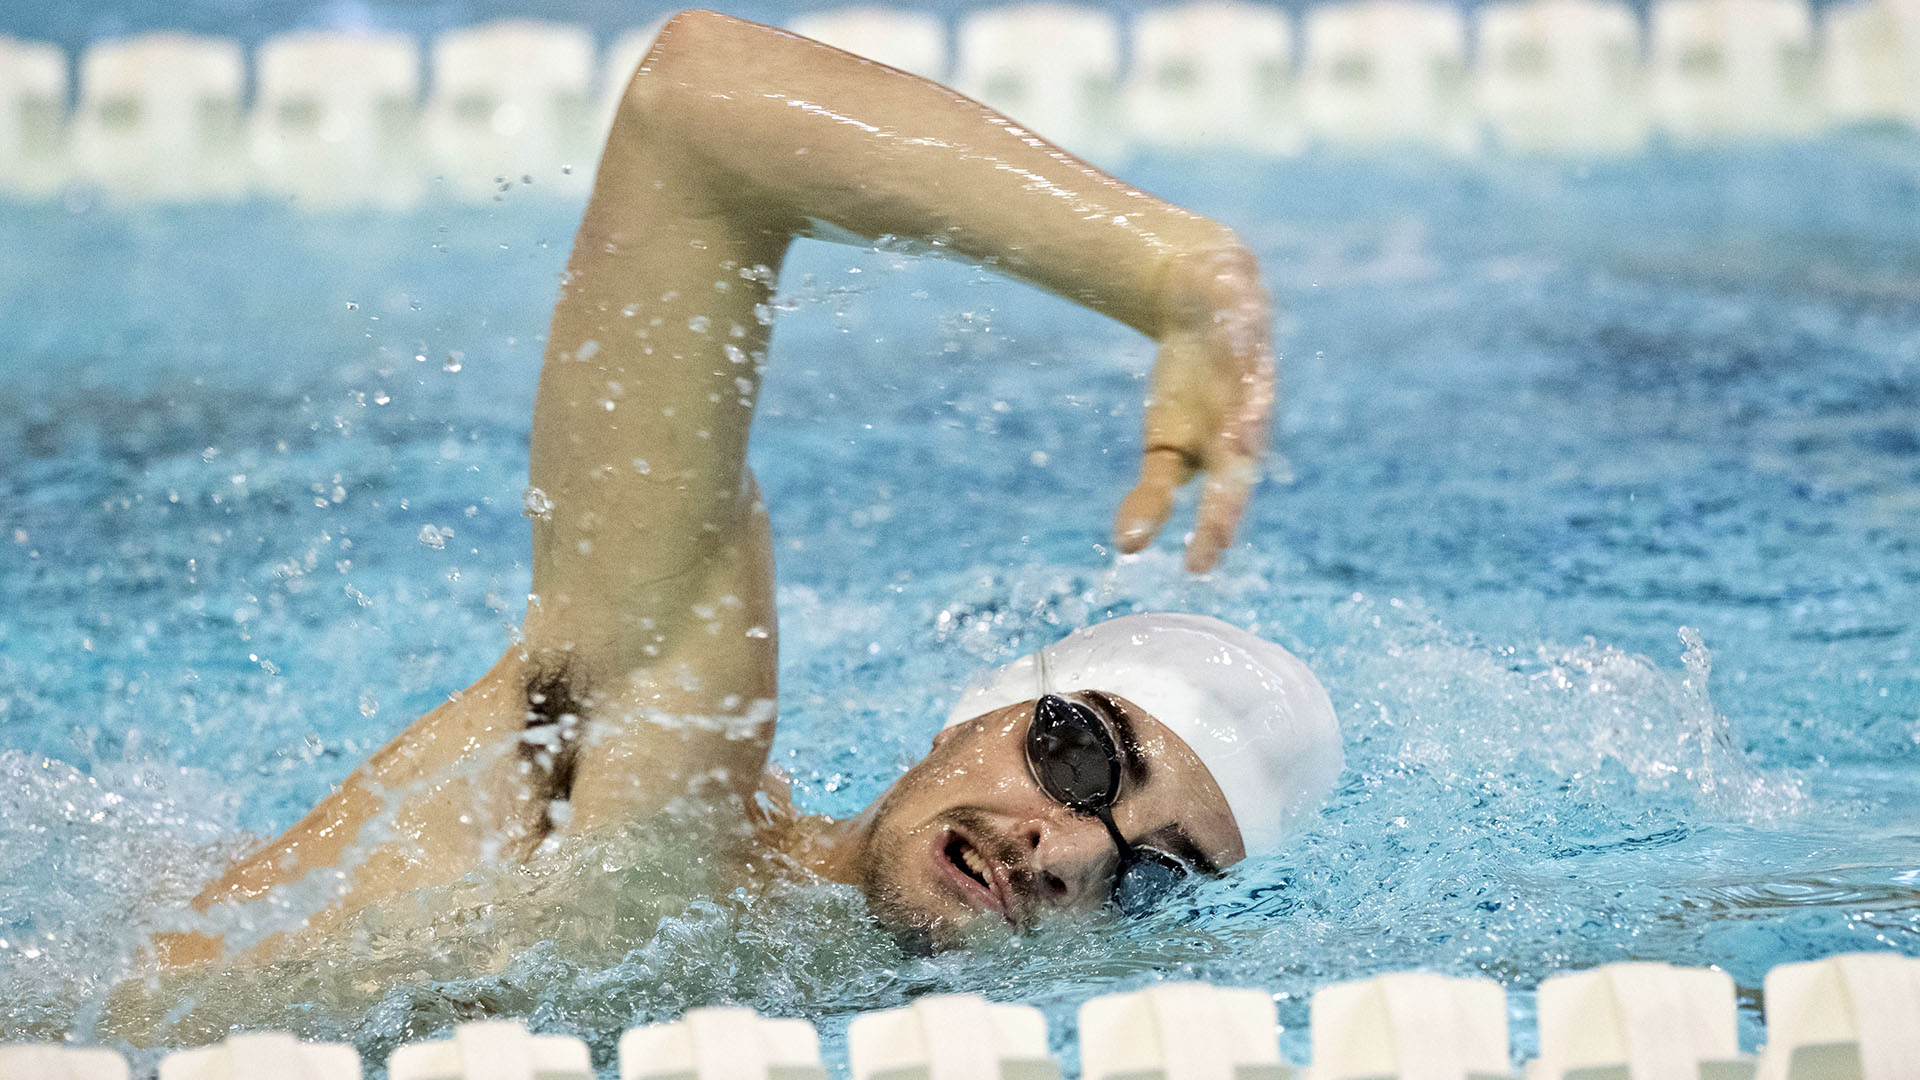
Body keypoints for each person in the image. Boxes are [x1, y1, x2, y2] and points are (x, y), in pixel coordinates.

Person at [153, 9, 1342, 962]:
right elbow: (695, 109)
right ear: (981, 705)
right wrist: (1171, 268)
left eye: (1150, 876)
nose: (1073, 849)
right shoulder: (659, 775)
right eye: (1079, 755)